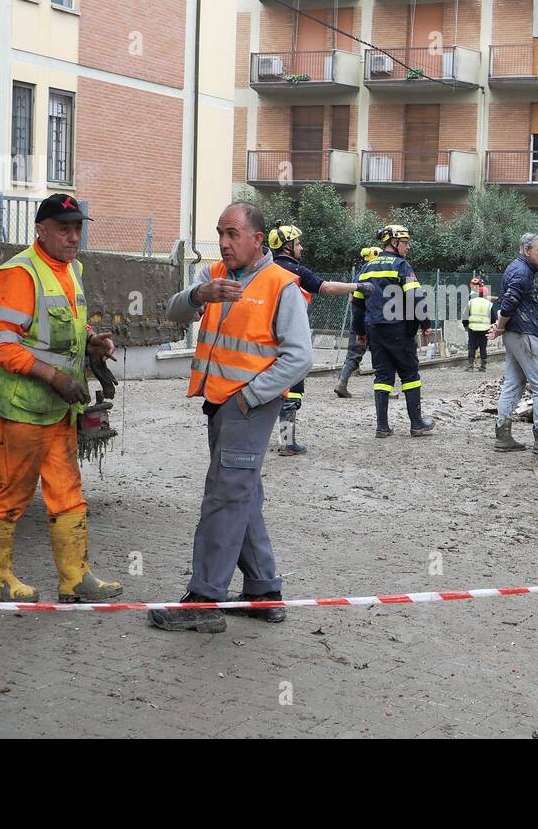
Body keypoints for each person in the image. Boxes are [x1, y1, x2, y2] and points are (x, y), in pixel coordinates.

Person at [150, 202, 313, 633]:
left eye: (233, 234)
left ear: (258, 240)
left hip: (246, 408)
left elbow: (299, 357)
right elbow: (173, 312)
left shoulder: (281, 284)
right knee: (242, 496)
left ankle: (203, 600)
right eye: (220, 232)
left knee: (223, 497)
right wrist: (197, 295)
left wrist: (250, 396)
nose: (223, 242)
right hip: (220, 404)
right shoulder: (215, 276)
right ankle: (263, 592)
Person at [0, 193, 122, 603]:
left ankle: (76, 579)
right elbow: (1, 345)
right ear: (41, 230)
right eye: (65, 228)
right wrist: (54, 377)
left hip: (57, 408)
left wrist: (93, 342)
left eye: (78, 227)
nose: (74, 236)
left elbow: (63, 331)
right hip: (20, 407)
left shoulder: (70, 270)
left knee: (68, 492)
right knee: (13, 492)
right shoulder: (20, 273)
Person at [267, 223, 362, 456]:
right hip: (289, 338)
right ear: (288, 247)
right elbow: (326, 287)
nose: (302, 247)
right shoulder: (294, 271)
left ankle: (259, 440)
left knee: (269, 390)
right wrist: (358, 286)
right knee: (291, 393)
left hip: (264, 338)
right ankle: (287, 443)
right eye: (298, 243)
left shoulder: (264, 269)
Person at [354, 224, 436, 438]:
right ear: (393, 242)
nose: (407, 247)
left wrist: (359, 331)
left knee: (382, 375)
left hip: (374, 329)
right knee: (410, 374)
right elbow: (415, 296)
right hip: (398, 328)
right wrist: (426, 324)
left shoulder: (366, 268)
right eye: (405, 243)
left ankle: (382, 426)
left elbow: (357, 304)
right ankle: (417, 424)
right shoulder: (402, 266)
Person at [488, 233, 538, 454]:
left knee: (514, 383)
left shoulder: (517, 268)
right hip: (524, 333)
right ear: (527, 250)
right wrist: (499, 326)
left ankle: (503, 435)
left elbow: (508, 301)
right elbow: (509, 303)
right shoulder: (522, 272)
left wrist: (501, 328)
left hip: (516, 334)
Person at [334, 246, 382, 398]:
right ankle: (383, 389)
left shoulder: (359, 276)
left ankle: (341, 383)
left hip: (359, 321)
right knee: (382, 355)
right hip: (376, 322)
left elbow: (353, 302)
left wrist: (357, 327)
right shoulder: (380, 275)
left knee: (353, 355)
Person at [462, 283, 493, 371]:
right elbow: (493, 318)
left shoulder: (471, 302)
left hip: (472, 328)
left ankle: (471, 366)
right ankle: (483, 367)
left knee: (472, 346)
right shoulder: (489, 304)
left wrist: (465, 325)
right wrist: (490, 327)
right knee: (483, 347)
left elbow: (465, 315)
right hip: (485, 329)